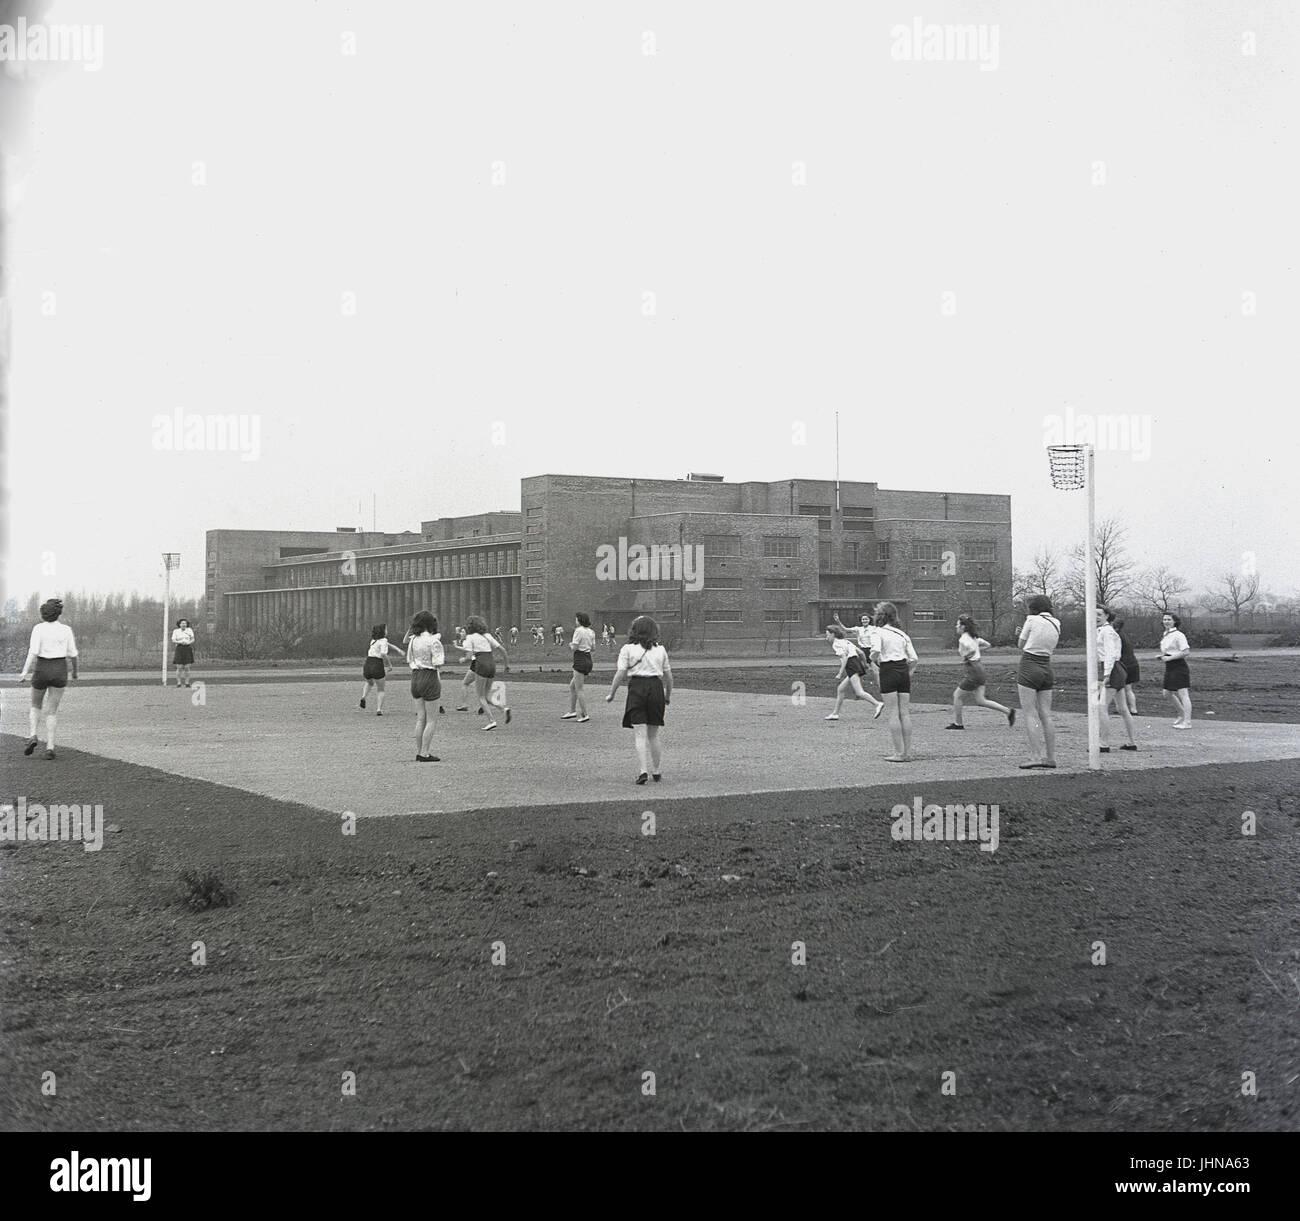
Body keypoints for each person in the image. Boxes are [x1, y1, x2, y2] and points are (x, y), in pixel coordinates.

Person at [606, 614, 672, 784]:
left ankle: (643, 771)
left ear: (634, 630)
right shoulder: (661, 650)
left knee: (640, 735)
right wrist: (667, 696)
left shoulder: (627, 649)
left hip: (636, 688)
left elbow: (620, 673)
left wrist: (612, 693)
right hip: (656, 688)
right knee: (654, 735)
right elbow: (669, 677)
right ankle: (656, 771)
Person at [17, 598, 78, 760]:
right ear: (58, 613)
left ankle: (33, 735)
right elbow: (73, 654)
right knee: (52, 710)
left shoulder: (38, 629)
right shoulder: (66, 629)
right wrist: (75, 672)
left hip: (42, 668)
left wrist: (24, 672)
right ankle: (50, 747)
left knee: (35, 705)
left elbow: (33, 652)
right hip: (59, 669)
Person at [869, 602, 919, 762]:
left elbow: (875, 651)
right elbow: (914, 658)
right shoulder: (903, 634)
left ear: (880, 616)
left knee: (893, 712)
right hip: (903, 669)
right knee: (904, 712)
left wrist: (873, 661)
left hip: (888, 669)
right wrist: (909, 672)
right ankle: (907, 752)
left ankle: (898, 753)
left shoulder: (878, 632)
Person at [1016, 594, 1061, 769]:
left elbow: (1021, 644)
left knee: (1029, 712)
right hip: (1046, 666)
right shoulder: (1057, 623)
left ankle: (1036, 756)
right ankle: (1051, 757)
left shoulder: (1031, 620)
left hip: (1029, 664)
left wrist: (1020, 634)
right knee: (1046, 714)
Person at [947, 615, 1014, 730]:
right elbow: (988, 645)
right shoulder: (974, 637)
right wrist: (976, 651)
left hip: (973, 670)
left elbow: (971, 649)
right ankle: (1008, 712)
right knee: (981, 700)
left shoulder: (963, 639)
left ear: (963, 627)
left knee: (957, 696)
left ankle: (958, 724)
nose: (956, 626)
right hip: (980, 669)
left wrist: (968, 655)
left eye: (958, 624)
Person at [458, 615, 510, 729]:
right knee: (486, 696)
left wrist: (463, 658)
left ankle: (492, 721)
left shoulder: (470, 638)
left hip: (481, 664)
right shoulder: (487, 636)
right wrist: (506, 665)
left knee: (480, 696)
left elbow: (469, 655)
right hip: (492, 663)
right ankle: (503, 709)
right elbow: (502, 650)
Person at [1097, 607, 1138, 752]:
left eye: (1099, 614)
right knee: (1123, 708)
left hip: (1113, 669)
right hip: (1117, 668)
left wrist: (1107, 675)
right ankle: (1132, 742)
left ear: (1107, 615)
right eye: (1094, 614)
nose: (1096, 617)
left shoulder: (1107, 631)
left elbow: (1110, 654)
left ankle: (1104, 744)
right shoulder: (1106, 630)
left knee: (1101, 707)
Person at [823, 625, 885, 720]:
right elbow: (860, 652)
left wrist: (840, 673)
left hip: (851, 665)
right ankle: (835, 714)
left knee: (859, 692)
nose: (826, 637)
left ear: (833, 634)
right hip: (856, 663)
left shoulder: (836, 644)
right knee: (840, 689)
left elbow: (844, 658)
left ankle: (877, 704)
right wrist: (864, 664)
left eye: (827, 635)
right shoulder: (846, 641)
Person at [406, 611, 444, 761]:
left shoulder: (413, 640)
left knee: (420, 718)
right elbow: (438, 662)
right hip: (429, 676)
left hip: (415, 676)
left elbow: (409, 658)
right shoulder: (434, 641)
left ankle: (419, 751)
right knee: (432, 719)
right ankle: (425, 752)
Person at [1158, 612, 1193, 729]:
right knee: (1167, 693)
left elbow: (1186, 652)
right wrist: (1162, 656)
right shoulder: (1165, 634)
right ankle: (1182, 714)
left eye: (1169, 620)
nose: (1166, 622)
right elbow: (1169, 650)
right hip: (1169, 666)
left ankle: (1187, 722)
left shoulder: (1179, 635)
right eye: (1164, 619)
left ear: (1175, 622)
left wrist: (1170, 658)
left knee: (1183, 694)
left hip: (1179, 666)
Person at [561, 611, 597, 722]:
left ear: (579, 620)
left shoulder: (578, 631)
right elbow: (593, 648)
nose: (575, 621)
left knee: (579, 688)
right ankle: (572, 711)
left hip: (580, 658)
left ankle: (585, 714)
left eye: (576, 619)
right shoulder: (591, 632)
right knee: (573, 686)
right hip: (588, 659)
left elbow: (574, 647)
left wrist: (570, 645)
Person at [360, 623, 397, 716]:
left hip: (368, 663)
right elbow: (384, 654)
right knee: (381, 689)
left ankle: (364, 696)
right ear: (383, 631)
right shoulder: (384, 641)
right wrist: (390, 665)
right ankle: (379, 709)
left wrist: (398, 650)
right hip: (377, 664)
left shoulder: (373, 641)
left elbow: (387, 644)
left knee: (369, 682)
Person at [1112, 613, 1140, 714]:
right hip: (1132, 664)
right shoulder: (1124, 635)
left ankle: (1120, 708)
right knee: (1128, 689)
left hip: (1122, 664)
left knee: (1117, 688)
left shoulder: (1115, 636)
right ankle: (1133, 709)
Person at [171, 618, 196, 687]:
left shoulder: (189, 630)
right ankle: (179, 683)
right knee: (179, 667)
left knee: (187, 667)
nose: (184, 625)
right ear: (179, 624)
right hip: (179, 648)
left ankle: (187, 683)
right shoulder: (176, 631)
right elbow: (173, 640)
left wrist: (188, 642)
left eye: (185, 623)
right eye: (182, 623)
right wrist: (180, 642)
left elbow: (193, 639)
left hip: (187, 648)